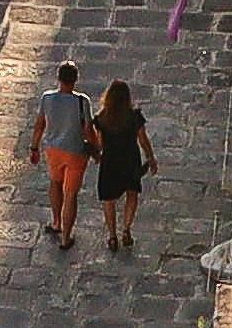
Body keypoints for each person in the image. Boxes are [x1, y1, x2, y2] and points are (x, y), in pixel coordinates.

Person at [30, 55, 91, 247]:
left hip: (53, 150)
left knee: (55, 183)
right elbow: (88, 130)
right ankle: (66, 238)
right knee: (70, 194)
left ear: (58, 78)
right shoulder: (82, 101)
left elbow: (39, 125)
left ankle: (56, 222)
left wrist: (34, 147)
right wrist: (97, 148)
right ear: (76, 79)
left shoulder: (47, 98)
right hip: (75, 152)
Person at [92, 75, 156, 253]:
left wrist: (92, 150)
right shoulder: (134, 117)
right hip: (130, 161)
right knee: (132, 194)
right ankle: (126, 228)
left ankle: (112, 236)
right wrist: (150, 157)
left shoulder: (101, 119)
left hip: (110, 163)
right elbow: (143, 139)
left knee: (108, 200)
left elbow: (100, 144)